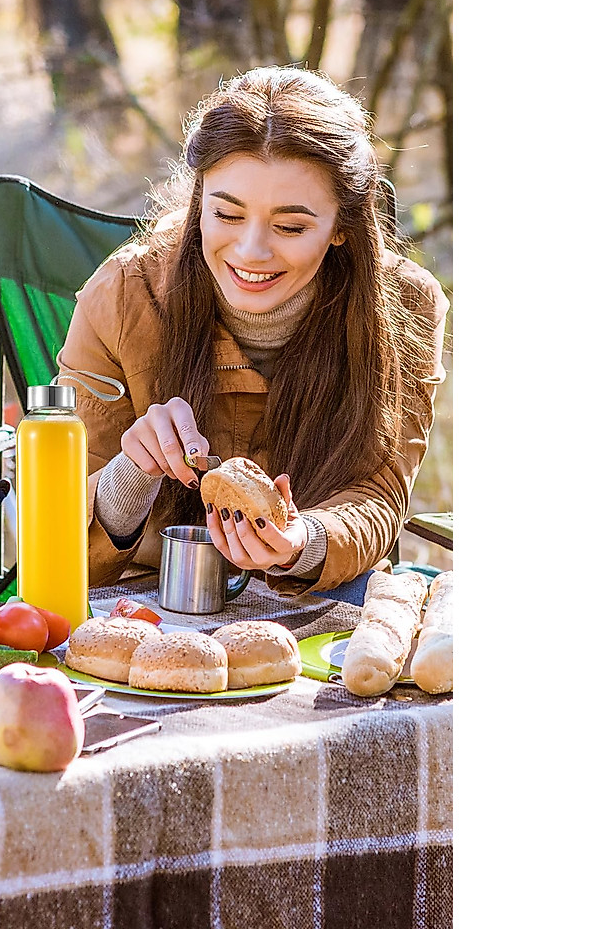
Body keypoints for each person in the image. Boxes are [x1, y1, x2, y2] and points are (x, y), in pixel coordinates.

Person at [57, 66, 449, 595]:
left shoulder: (403, 306)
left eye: (290, 226)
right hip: (142, 602)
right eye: (226, 214)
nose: (251, 252)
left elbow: (378, 495)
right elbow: (56, 545)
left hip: (317, 598)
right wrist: (133, 471)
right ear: (200, 203)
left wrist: (302, 540)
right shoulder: (124, 297)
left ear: (341, 228)